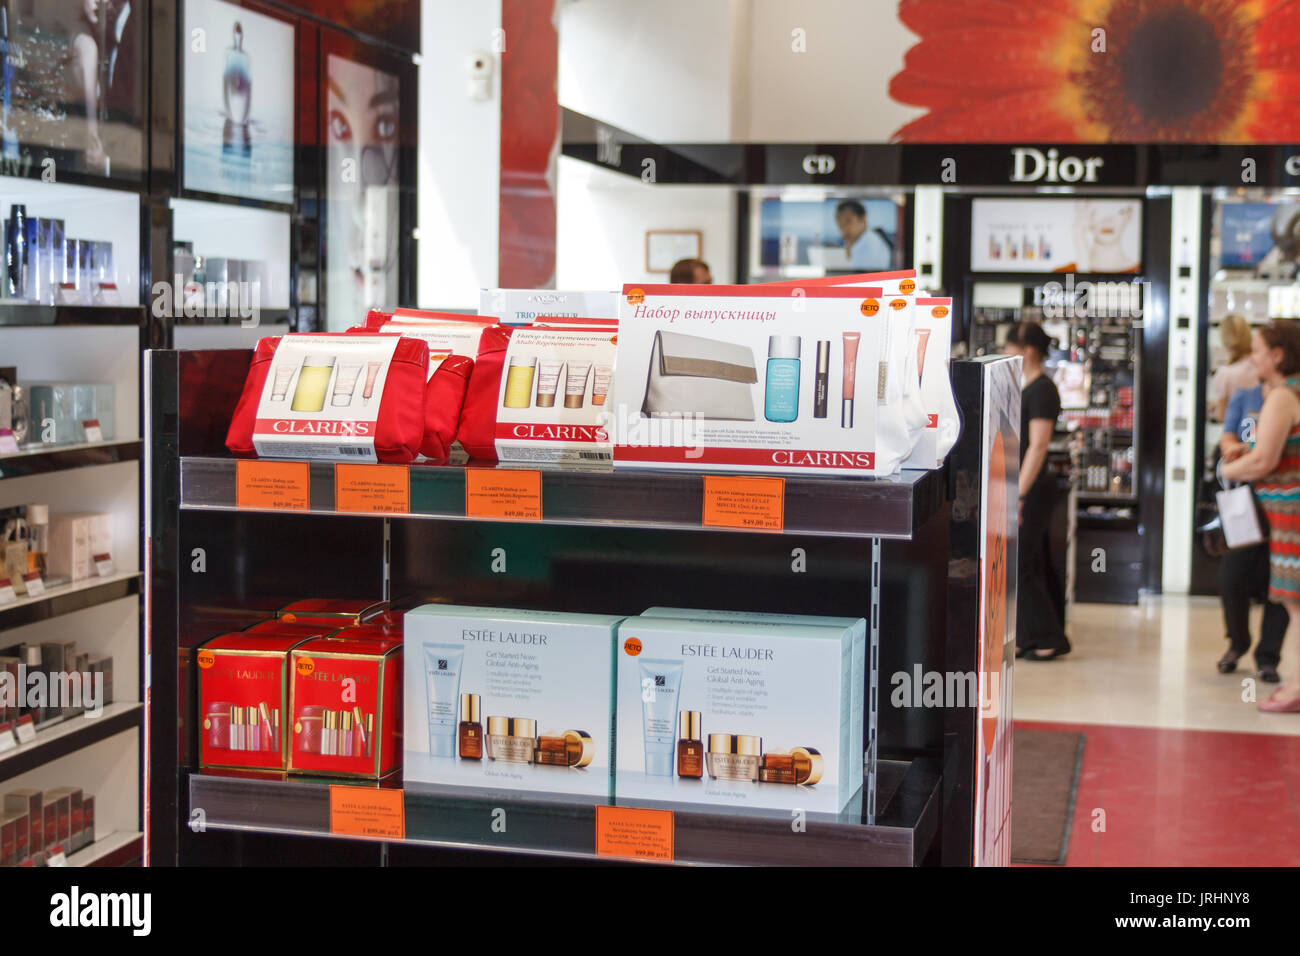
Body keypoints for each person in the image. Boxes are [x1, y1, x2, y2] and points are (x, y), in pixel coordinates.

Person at [1222, 319, 1300, 711]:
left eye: (1257, 350)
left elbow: (1265, 460)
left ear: (1277, 354)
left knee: (1294, 601)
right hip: (1285, 511)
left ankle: (1297, 688)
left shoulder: (1284, 396)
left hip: (1290, 512)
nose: (1251, 358)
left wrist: (1228, 470)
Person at [1004, 321, 1070, 660]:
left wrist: (1020, 494)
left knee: (1021, 563)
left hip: (1034, 486)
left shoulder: (1043, 390)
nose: (1005, 352)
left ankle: (1046, 637)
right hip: (1027, 484)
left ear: (1027, 350)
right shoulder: (1026, 385)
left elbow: (1039, 445)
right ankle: (1034, 634)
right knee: (1036, 560)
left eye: (1010, 346)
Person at [1218, 382, 1286, 682]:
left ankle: (1267, 657)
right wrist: (1235, 450)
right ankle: (1238, 641)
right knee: (1232, 576)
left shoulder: (1290, 397)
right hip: (1248, 499)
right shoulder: (1245, 396)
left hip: (1286, 502)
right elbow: (1228, 435)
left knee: (1281, 578)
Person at [1207, 315, 1258, 422]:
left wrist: (1215, 408)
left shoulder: (1225, 374)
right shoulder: (1260, 366)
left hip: (1236, 436)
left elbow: (1222, 417)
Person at [833, 200, 893, 270]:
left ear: (863, 219)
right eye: (839, 223)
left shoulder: (870, 249)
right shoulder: (857, 242)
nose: (843, 228)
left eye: (848, 221)